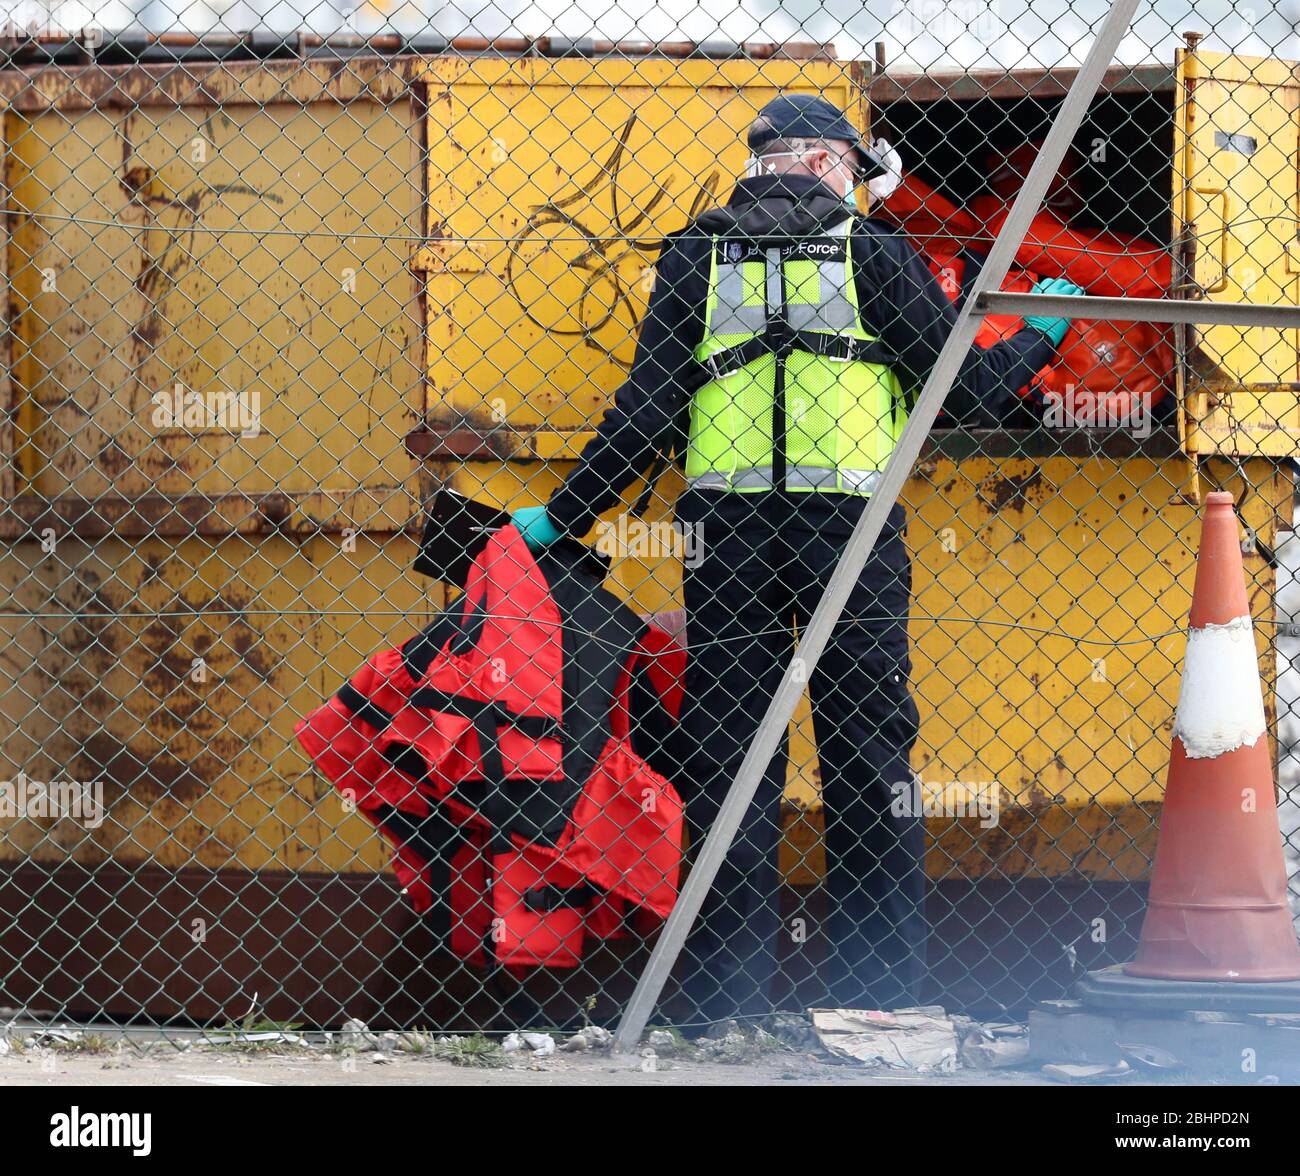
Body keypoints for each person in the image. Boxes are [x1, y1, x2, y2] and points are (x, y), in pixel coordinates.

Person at [511, 94, 1081, 1024]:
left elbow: (646, 414)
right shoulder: (874, 257)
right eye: (855, 172)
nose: (858, 188)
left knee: (730, 762)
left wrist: (564, 520)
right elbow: (962, 392)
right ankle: (876, 1003)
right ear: (825, 164)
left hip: (725, 540)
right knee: (868, 760)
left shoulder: (694, 257)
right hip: (850, 539)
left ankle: (721, 1009)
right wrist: (1034, 337)